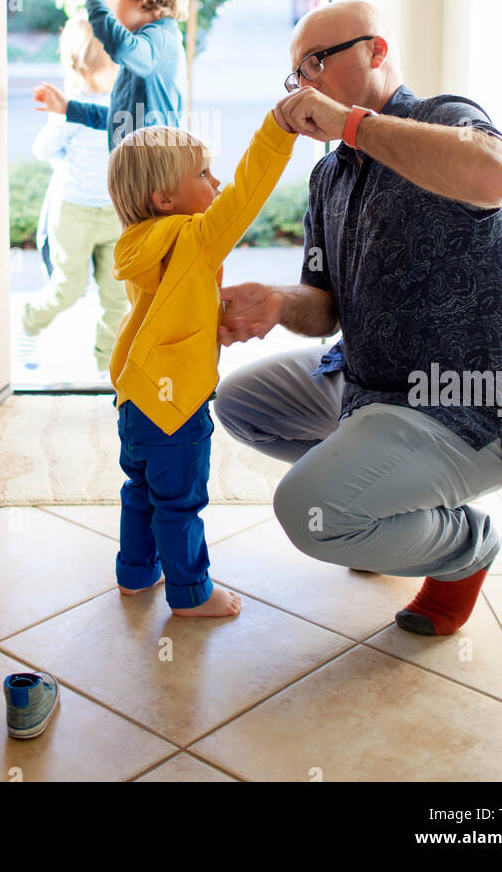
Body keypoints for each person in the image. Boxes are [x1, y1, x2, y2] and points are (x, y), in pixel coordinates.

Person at [214, 0, 502, 636]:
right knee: (239, 404)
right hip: (368, 381)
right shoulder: (329, 178)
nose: (304, 83)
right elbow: (326, 308)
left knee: (307, 510)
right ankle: (385, 506)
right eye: (296, 74)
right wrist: (281, 303)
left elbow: (493, 176)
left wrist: (353, 123)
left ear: (376, 50)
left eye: (316, 62)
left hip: (467, 402)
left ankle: (463, 548)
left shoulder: (443, 119)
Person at [105, 90, 315, 617]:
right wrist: (277, 131)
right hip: (176, 407)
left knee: (141, 490)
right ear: (165, 199)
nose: (216, 184)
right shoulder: (195, 236)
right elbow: (247, 194)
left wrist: (211, 311)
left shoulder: (139, 241)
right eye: (203, 174)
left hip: (135, 398)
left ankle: (134, 574)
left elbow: (166, 308)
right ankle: (191, 594)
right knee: (180, 504)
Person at [19, 17, 129, 376]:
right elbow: (42, 149)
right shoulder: (73, 109)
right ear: (82, 69)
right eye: (110, 65)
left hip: (115, 214)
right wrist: (62, 145)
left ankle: (105, 366)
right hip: (75, 212)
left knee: (117, 296)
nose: (116, 70)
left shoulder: (123, 103)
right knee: (69, 288)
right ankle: (29, 324)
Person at [33, 0, 192, 150]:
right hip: (135, 176)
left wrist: (95, 2)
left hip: (154, 178)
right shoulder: (149, 46)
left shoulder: (160, 41)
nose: (112, 6)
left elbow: (119, 46)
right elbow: (122, 122)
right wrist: (68, 108)